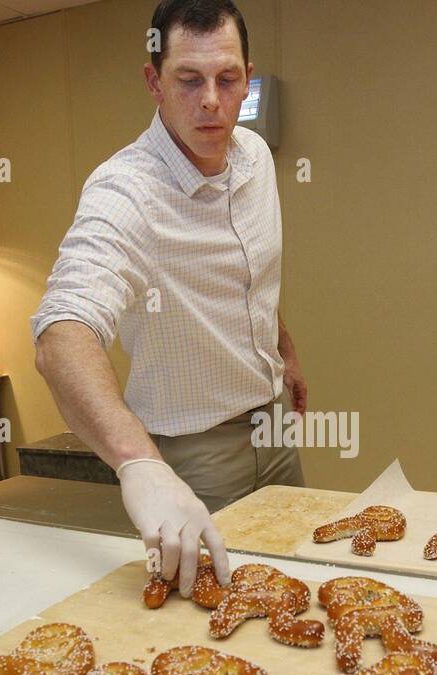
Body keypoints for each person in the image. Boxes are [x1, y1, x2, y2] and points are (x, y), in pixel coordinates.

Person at [31, 0, 309, 598]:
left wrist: (282, 349)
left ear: (246, 78)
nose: (211, 99)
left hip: (274, 429)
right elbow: (62, 333)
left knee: (296, 585)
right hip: (193, 456)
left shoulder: (255, 158)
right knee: (211, 621)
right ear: (155, 83)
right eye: (189, 80)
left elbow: (251, 271)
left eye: (227, 79)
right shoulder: (126, 191)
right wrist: (140, 465)